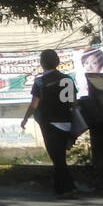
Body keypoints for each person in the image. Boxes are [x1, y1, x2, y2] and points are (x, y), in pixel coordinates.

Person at [20, 49, 79, 198]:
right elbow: (74, 104)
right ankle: (62, 188)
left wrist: (25, 118)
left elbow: (34, 105)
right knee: (59, 157)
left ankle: (67, 189)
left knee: (57, 158)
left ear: (42, 64)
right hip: (67, 122)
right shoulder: (68, 79)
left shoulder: (39, 82)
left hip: (49, 124)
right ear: (57, 62)